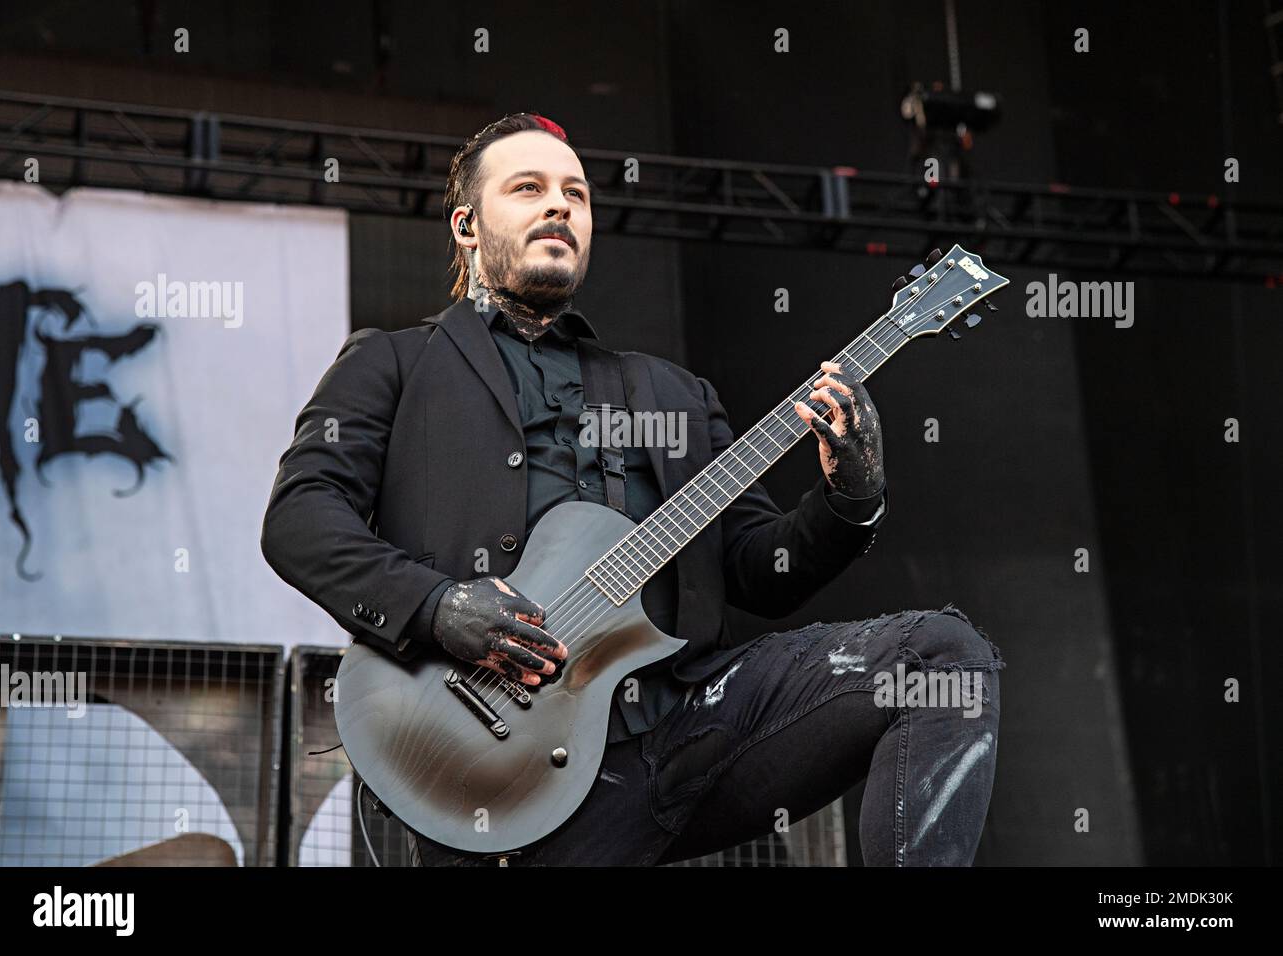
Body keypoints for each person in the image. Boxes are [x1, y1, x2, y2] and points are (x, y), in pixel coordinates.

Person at [260, 112, 1005, 867]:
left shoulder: (669, 393)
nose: (559, 206)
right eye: (529, 189)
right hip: (493, 759)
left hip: (689, 731)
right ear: (466, 224)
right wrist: (439, 607)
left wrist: (852, 494)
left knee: (942, 659)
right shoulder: (393, 366)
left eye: (576, 195)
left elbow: (758, 569)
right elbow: (301, 519)